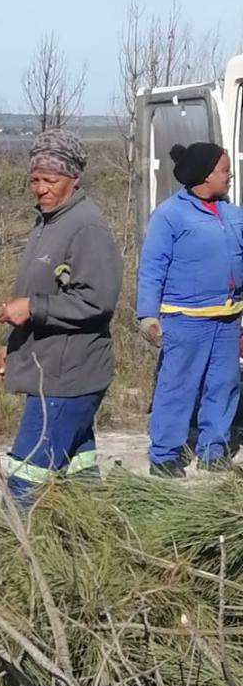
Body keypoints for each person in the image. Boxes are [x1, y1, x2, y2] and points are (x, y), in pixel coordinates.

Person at [0, 129, 123, 504]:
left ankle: (13, 539)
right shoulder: (49, 222)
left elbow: (97, 301)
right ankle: (96, 533)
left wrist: (32, 307)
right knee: (79, 478)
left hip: (68, 378)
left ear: (74, 178)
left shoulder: (86, 228)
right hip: (49, 369)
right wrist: (9, 346)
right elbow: (38, 290)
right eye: (34, 180)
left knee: (26, 480)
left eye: (50, 180)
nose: (40, 189)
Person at [137, 142, 243, 476]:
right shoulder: (170, 215)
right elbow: (152, 267)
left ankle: (214, 449)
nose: (230, 176)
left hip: (227, 319)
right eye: (225, 170)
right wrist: (147, 315)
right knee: (177, 387)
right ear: (205, 175)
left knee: (224, 385)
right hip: (185, 320)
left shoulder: (232, 213)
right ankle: (164, 455)